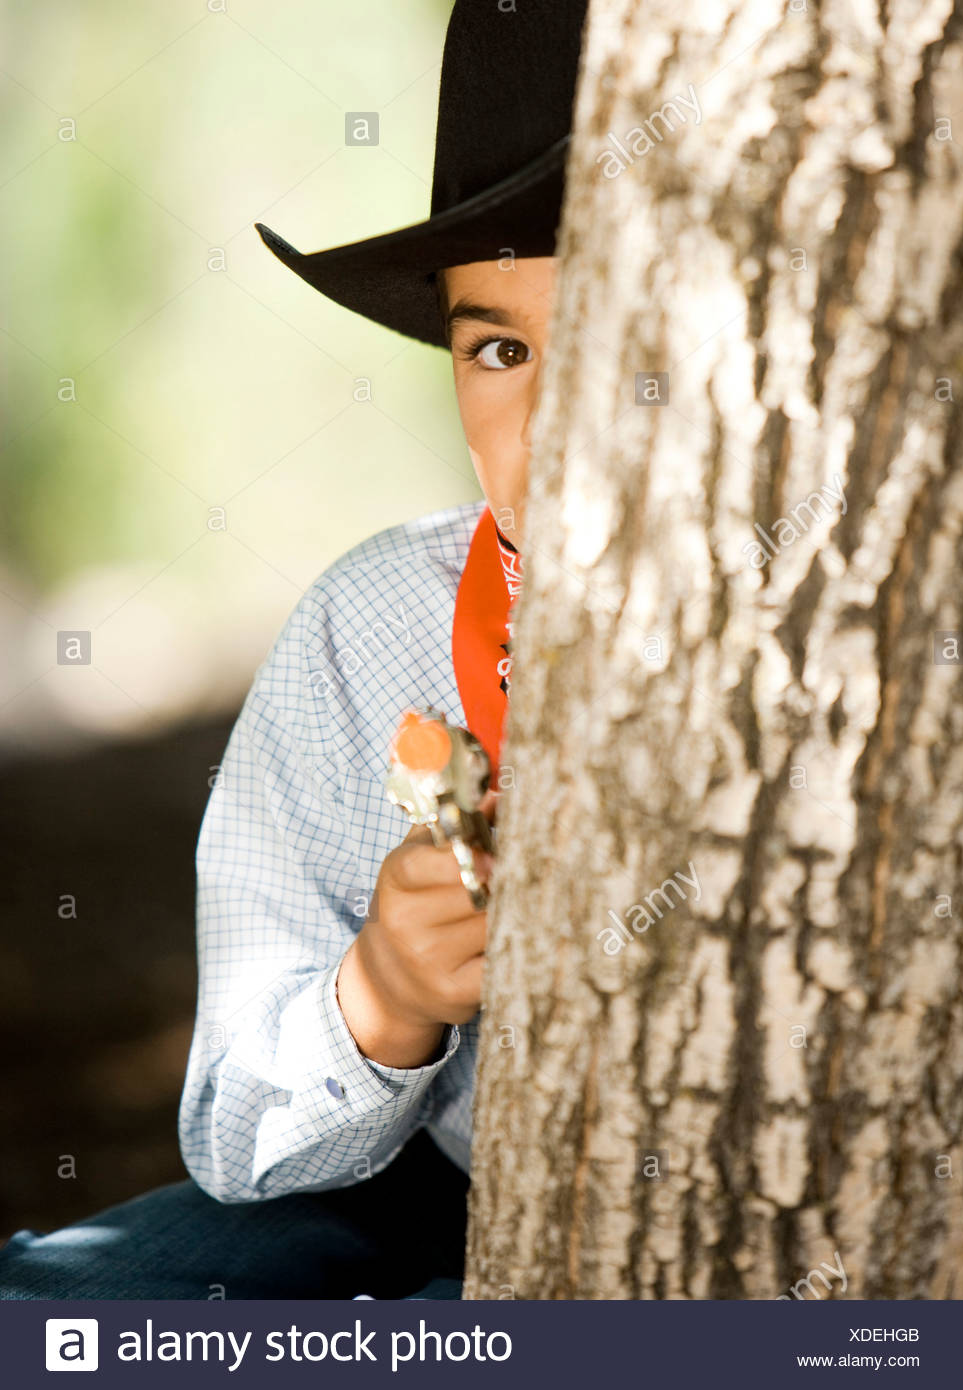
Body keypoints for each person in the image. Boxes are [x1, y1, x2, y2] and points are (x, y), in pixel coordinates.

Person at [0, 0, 589, 1301]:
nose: (553, 419)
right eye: (499, 348)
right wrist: (381, 998)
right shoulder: (370, 629)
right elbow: (233, 1124)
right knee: (52, 1307)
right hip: (445, 1181)